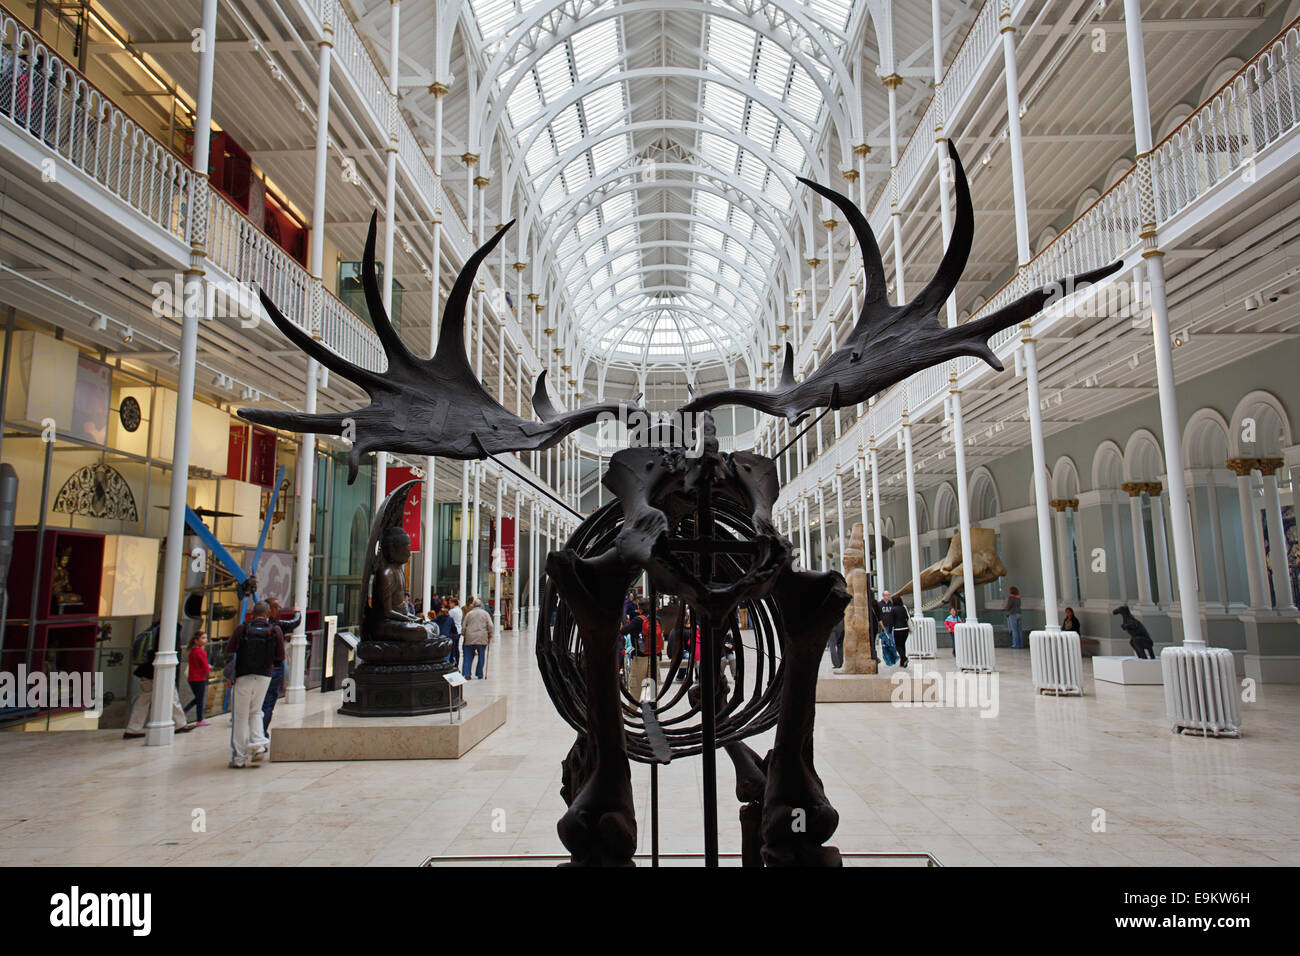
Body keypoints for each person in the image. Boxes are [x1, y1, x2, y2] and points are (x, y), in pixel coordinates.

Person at [225, 601, 285, 768]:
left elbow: (230, 649)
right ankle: (258, 745)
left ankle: (239, 757)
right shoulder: (275, 630)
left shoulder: (242, 629)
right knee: (256, 711)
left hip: (243, 675)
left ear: (252, 614)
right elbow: (280, 655)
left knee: (240, 716)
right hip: (264, 675)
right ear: (267, 614)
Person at [124, 622, 193, 739]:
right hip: (158, 671)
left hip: (147, 671)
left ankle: (133, 727)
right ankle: (179, 723)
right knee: (171, 696)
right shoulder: (168, 631)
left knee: (145, 699)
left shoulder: (153, 629)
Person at [261, 599, 300, 733]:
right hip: (272, 669)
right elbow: (295, 622)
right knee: (267, 704)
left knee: (259, 704)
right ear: (270, 610)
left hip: (257, 671)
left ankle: (257, 733)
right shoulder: (276, 627)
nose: (279, 609)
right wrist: (298, 612)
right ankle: (260, 732)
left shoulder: (247, 627)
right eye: (277, 607)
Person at [461, 597, 493, 679]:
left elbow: (464, 626)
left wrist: (464, 634)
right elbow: (490, 625)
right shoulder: (485, 614)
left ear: (473, 606)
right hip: (482, 637)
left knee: (468, 656)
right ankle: (479, 673)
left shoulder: (469, 614)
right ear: (481, 605)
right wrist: (490, 634)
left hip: (470, 637)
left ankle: (467, 674)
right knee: (481, 656)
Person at [183, 632, 211, 726]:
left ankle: (185, 711)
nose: (205, 640)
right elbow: (204, 666)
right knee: (199, 699)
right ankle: (199, 719)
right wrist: (208, 668)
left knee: (198, 698)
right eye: (203, 638)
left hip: (192, 678)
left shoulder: (192, 652)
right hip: (199, 678)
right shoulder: (201, 652)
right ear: (197, 640)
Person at [435, 604, 459, 668]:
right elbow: (454, 629)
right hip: (447, 639)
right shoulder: (450, 619)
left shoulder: (435, 620)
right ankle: (445, 667)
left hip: (437, 640)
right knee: (447, 654)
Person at [891, 594, 911, 668]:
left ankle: (904, 658)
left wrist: (889, 630)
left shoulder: (893, 609)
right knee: (902, 645)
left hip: (897, 629)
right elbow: (907, 617)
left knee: (897, 646)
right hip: (905, 629)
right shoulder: (903, 608)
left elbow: (891, 621)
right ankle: (902, 663)